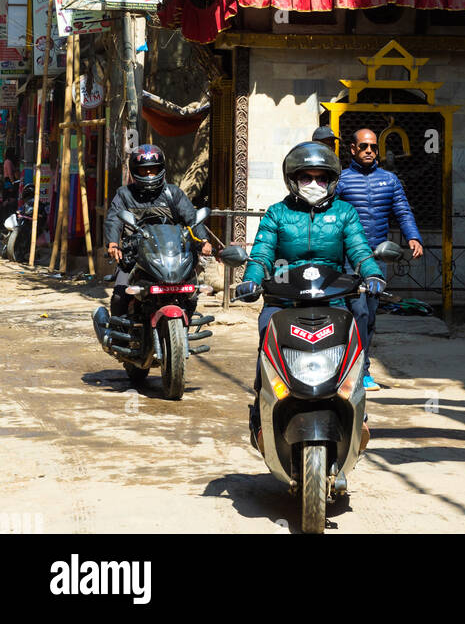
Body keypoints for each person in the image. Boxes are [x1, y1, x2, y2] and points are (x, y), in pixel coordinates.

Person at [236, 140, 384, 447]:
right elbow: (262, 253)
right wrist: (250, 281)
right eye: (306, 177)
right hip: (285, 298)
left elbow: (359, 248)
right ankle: (260, 413)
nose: (314, 184)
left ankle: (359, 412)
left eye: (321, 178)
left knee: (354, 338)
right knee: (267, 333)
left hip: (334, 298)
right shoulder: (277, 214)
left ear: (332, 181)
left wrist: (372, 274)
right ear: (293, 180)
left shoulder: (345, 213)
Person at [336, 128, 423, 391]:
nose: (369, 151)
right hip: (348, 258)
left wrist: (413, 237)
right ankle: (355, 369)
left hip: (378, 257)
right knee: (357, 311)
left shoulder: (390, 180)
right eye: (363, 146)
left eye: (373, 147)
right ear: (353, 149)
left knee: (370, 315)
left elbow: (403, 211)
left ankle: (361, 368)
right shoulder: (341, 181)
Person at [104, 144, 212, 316]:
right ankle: (118, 335)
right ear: (135, 171)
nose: (149, 174)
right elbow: (114, 219)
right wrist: (113, 243)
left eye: (153, 169)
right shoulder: (124, 194)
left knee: (191, 292)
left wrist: (203, 240)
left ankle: (185, 324)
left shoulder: (173, 193)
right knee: (120, 296)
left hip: (171, 255)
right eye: (144, 170)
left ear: (160, 169)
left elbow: (192, 217)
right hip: (135, 256)